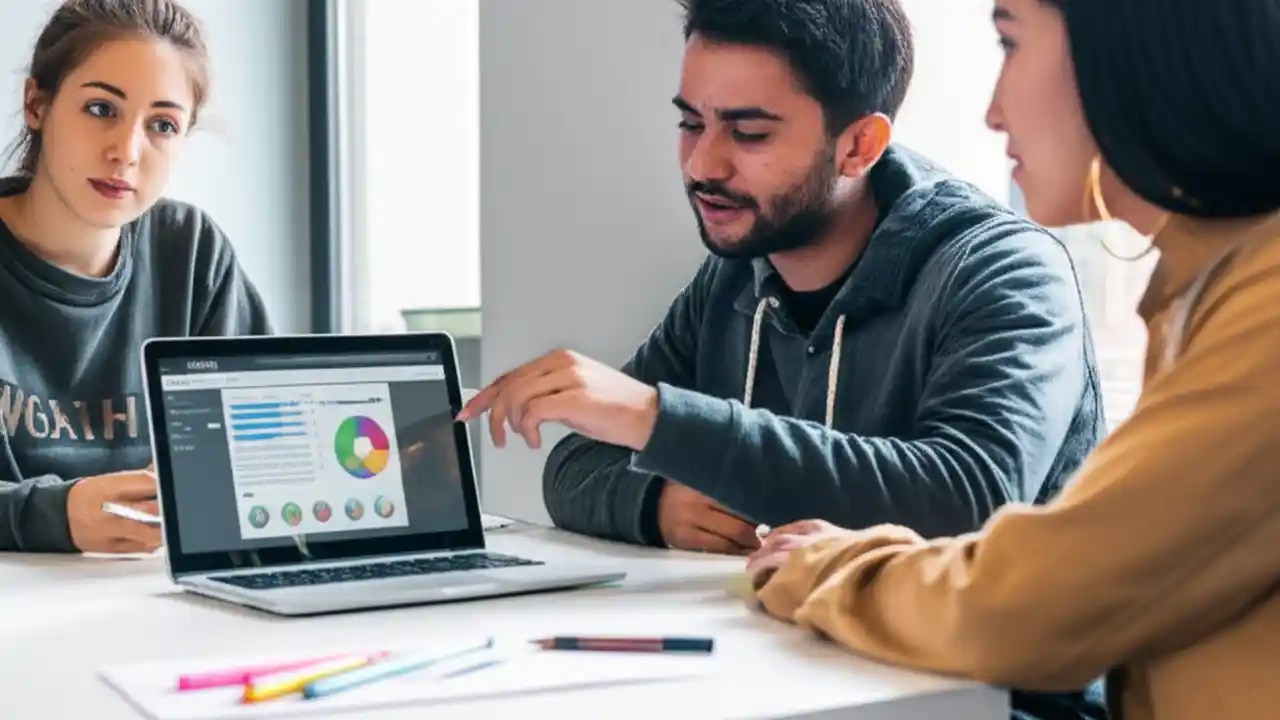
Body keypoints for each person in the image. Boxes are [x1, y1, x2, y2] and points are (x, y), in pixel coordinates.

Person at [745, 0, 1280, 718]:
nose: (994, 114)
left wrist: (830, 566)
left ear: (1123, 48)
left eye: (1009, 43)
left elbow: (1035, 606)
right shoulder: (1208, 286)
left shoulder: (1262, 308)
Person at [460, 0, 1102, 555]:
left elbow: (969, 496)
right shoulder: (735, 277)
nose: (703, 163)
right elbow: (577, 463)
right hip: (800, 667)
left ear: (860, 146)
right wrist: (656, 503)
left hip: (992, 696)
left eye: (749, 133)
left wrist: (657, 418)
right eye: (691, 123)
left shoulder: (1006, 271)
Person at [0, 0, 271, 554]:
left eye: (162, 126)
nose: (126, 151)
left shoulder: (192, 254)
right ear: (36, 104)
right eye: (101, 109)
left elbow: (262, 453)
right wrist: (55, 515)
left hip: (154, 603)